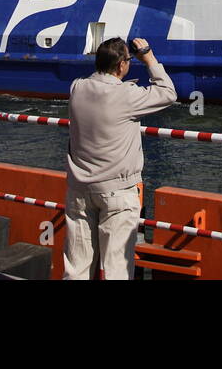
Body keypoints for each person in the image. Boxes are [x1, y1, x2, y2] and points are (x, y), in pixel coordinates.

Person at [63, 37, 176, 280]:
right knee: (117, 270)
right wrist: (148, 57)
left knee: (77, 267)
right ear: (121, 66)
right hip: (117, 192)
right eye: (128, 60)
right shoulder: (127, 95)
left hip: (79, 189)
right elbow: (168, 93)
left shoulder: (77, 87)